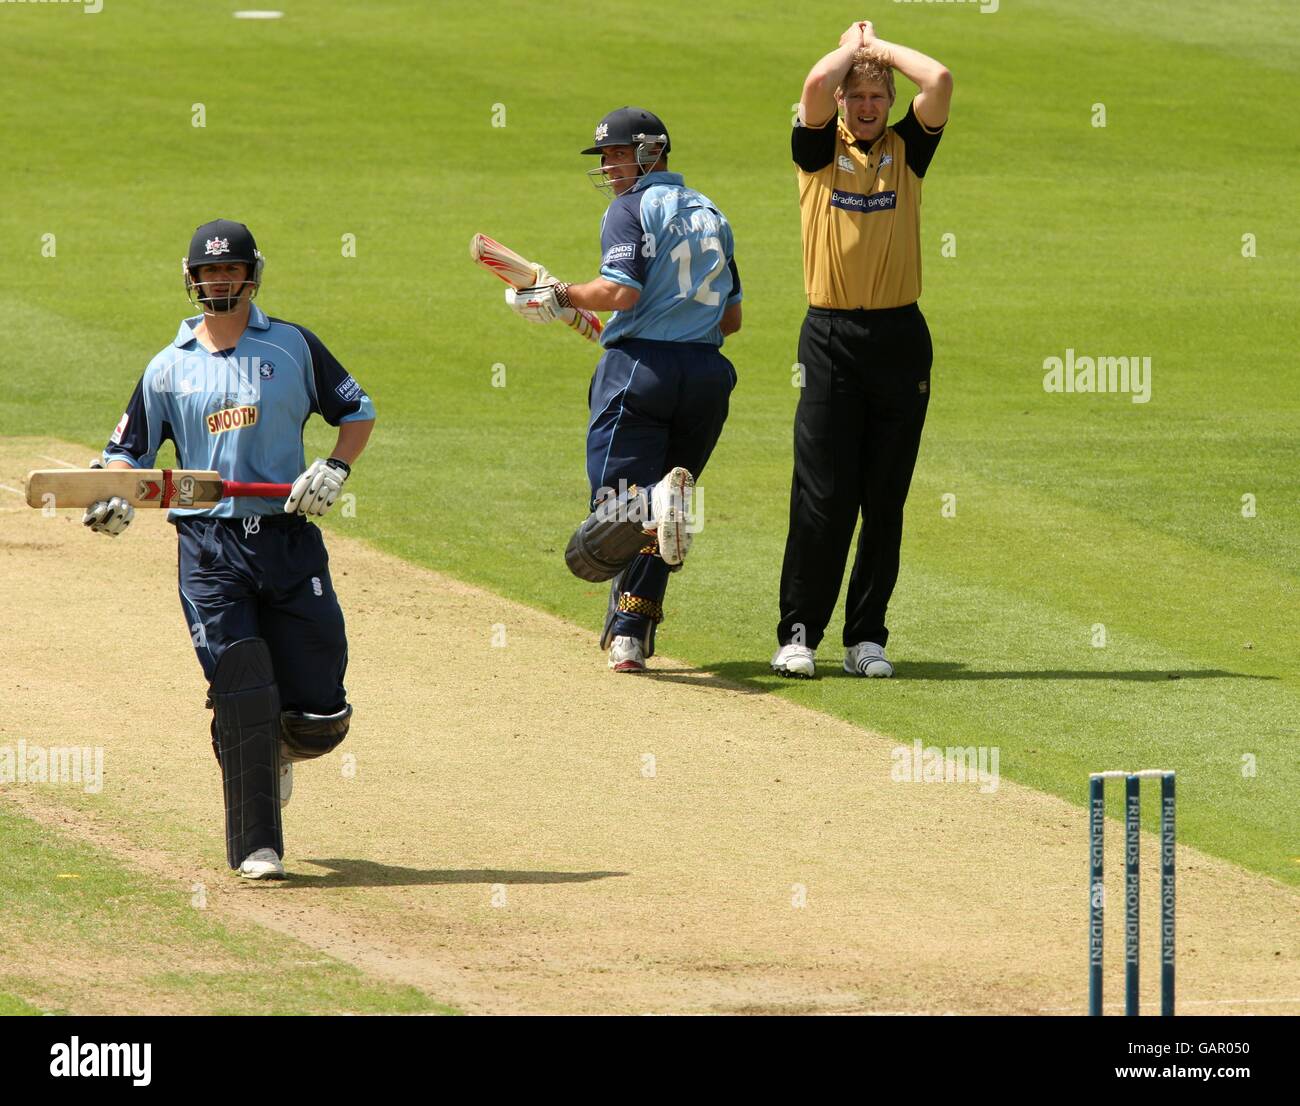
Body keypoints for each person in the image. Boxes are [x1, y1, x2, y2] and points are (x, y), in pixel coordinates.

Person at [86, 218, 376, 878]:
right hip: (210, 544)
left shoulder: (295, 346)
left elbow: (356, 411)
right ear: (191, 279)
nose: (219, 280)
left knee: (322, 715)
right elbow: (124, 454)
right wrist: (112, 493)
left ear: (252, 274)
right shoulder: (168, 367)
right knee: (241, 679)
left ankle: (274, 749)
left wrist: (334, 468)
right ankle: (257, 845)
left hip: (288, 535)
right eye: (207, 271)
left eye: (230, 270)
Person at [509, 107, 742, 673]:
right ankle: (630, 635)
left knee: (615, 508)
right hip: (707, 378)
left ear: (649, 153)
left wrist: (560, 295)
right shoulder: (713, 214)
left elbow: (620, 293)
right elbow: (731, 320)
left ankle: (656, 503)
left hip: (639, 372)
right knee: (663, 524)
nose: (609, 166)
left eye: (616, 154)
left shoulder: (630, 208)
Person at [771, 21, 952, 680]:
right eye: (859, 97)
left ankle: (866, 636)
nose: (868, 106)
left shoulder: (908, 150)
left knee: (885, 495)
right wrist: (853, 49)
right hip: (831, 338)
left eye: (878, 95)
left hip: (900, 338)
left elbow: (939, 81)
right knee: (823, 495)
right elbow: (817, 81)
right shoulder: (817, 148)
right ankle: (798, 632)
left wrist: (882, 53)